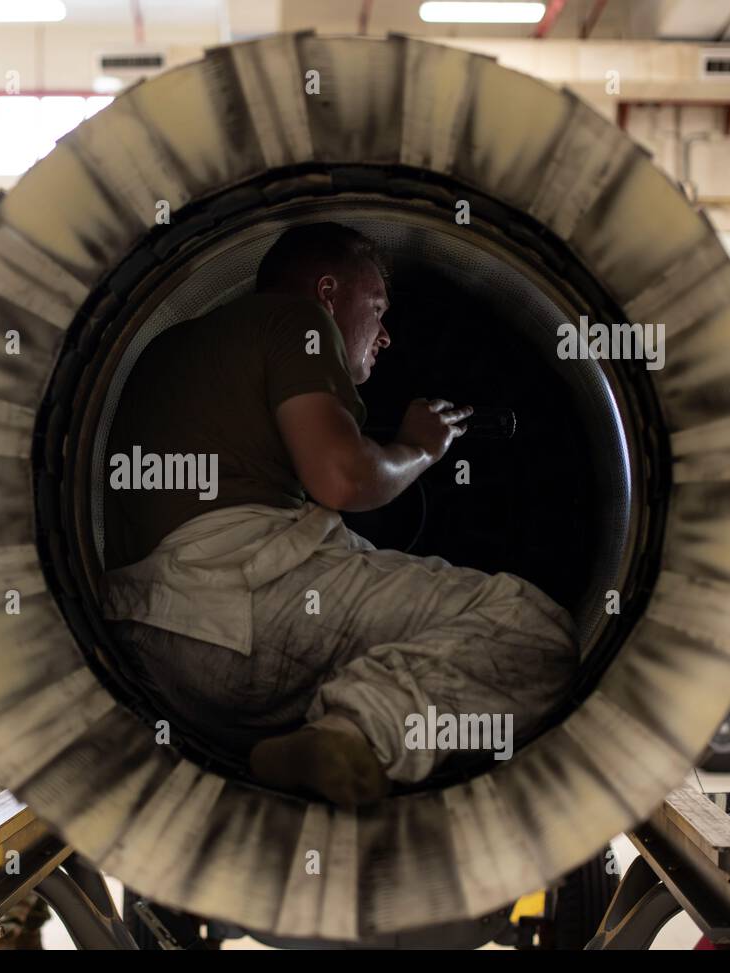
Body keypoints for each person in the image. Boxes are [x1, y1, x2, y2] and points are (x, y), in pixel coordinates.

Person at [101, 222, 577, 806]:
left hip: (155, 656)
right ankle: (357, 730)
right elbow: (344, 478)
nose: (386, 337)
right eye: (377, 308)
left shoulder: (166, 346)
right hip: (246, 606)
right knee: (533, 628)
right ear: (328, 293)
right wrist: (421, 447)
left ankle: (308, 745)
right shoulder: (297, 323)